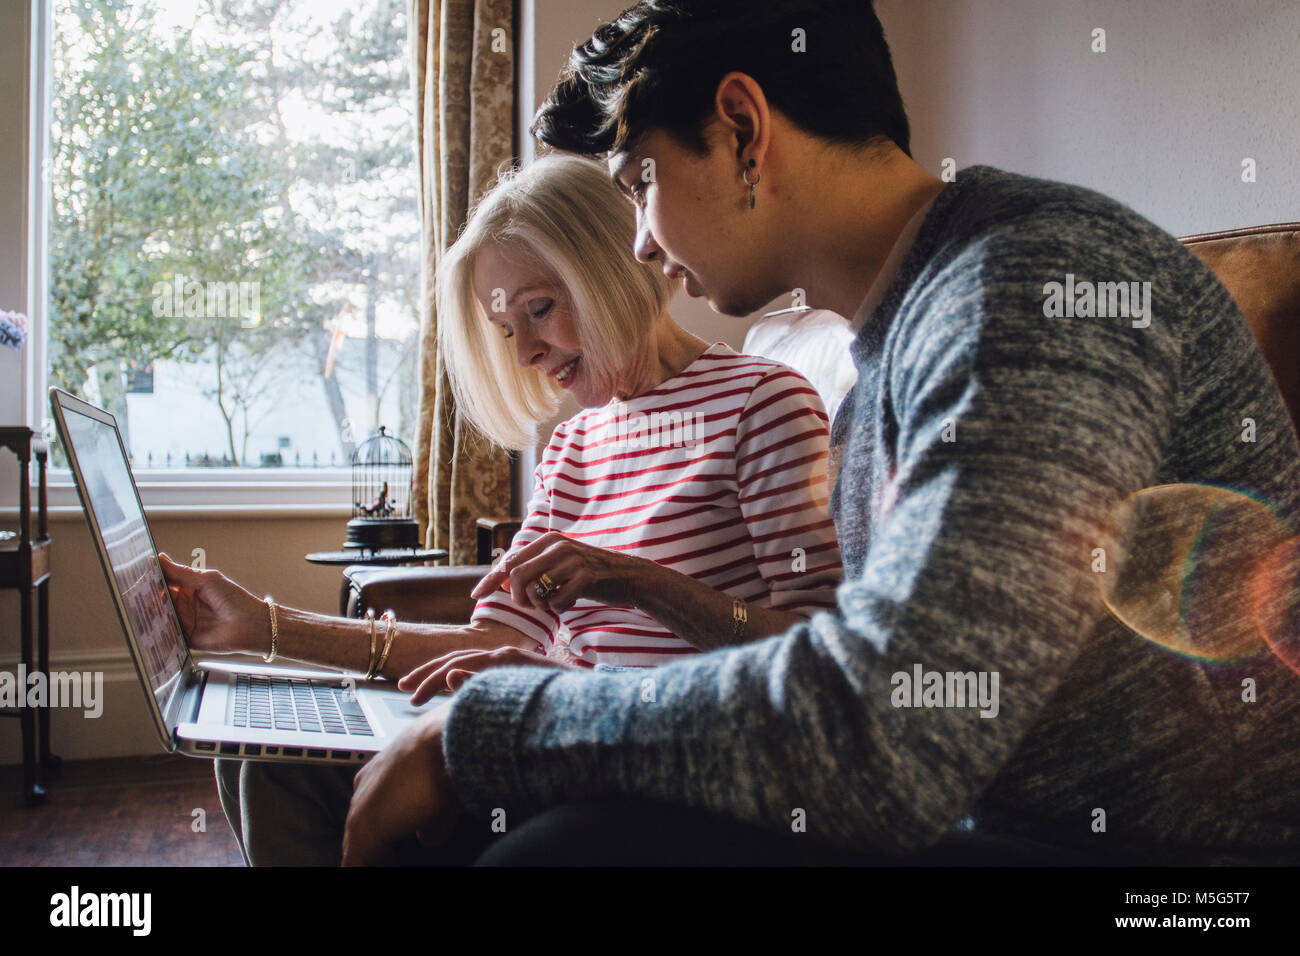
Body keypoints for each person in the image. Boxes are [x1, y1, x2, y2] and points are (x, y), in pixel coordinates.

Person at [338, 0, 1300, 866]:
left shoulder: (1030, 286)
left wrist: (498, 727)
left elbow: (890, 719)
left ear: (745, 132)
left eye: (640, 183)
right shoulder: (903, 330)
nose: (638, 241)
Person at [162, 152, 844, 864]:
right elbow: (493, 642)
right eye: (506, 327)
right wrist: (265, 627)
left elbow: (818, 657)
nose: (525, 352)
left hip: (663, 763)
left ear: (613, 266)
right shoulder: (576, 445)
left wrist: (635, 581)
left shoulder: (765, 404)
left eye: (539, 309)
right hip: (555, 736)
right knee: (270, 757)